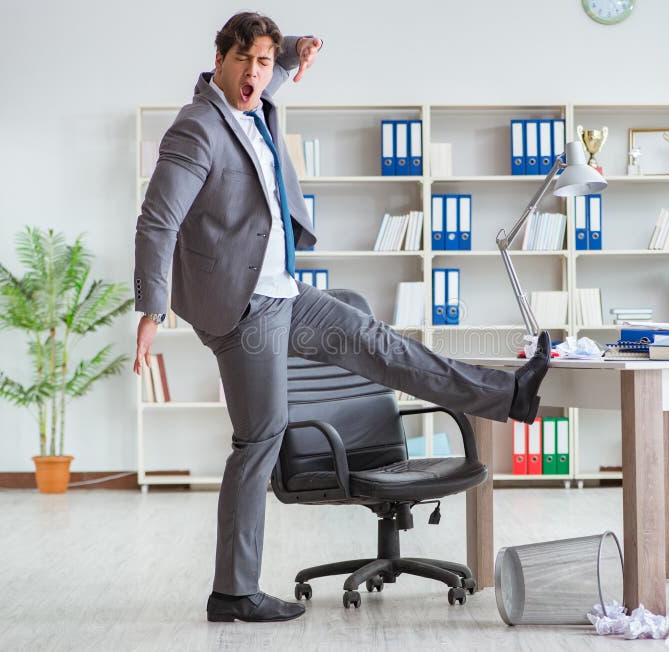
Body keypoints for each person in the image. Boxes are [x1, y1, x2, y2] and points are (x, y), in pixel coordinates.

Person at [133, 11, 551, 624]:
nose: (255, 72)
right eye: (243, 59)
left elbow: (274, 76)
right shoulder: (197, 129)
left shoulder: (253, 100)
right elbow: (157, 219)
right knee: (259, 439)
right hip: (244, 310)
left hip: (286, 296)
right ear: (218, 59)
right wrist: (151, 307)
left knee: (380, 345)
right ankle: (232, 591)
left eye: (264, 62)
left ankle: (510, 393)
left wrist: (298, 52)